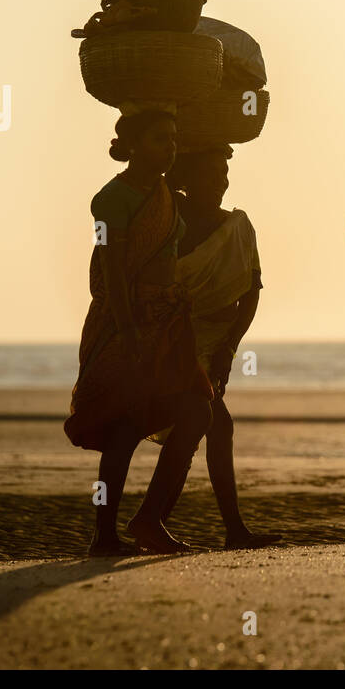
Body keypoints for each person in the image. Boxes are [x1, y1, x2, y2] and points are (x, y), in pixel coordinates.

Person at [64, 110, 215, 556]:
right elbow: (111, 267)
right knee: (125, 427)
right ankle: (105, 533)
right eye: (157, 139)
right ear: (130, 145)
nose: (168, 146)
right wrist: (128, 329)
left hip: (168, 322)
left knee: (195, 412)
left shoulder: (166, 193)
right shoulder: (111, 199)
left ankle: (149, 519)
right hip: (128, 323)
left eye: (172, 138)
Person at [152, 146, 282, 550]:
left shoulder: (237, 227)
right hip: (175, 341)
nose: (221, 182)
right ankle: (156, 523)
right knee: (204, 423)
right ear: (190, 179)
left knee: (202, 424)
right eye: (211, 174)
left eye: (224, 174)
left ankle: (158, 524)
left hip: (215, 344)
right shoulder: (173, 219)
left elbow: (252, 293)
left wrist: (229, 346)